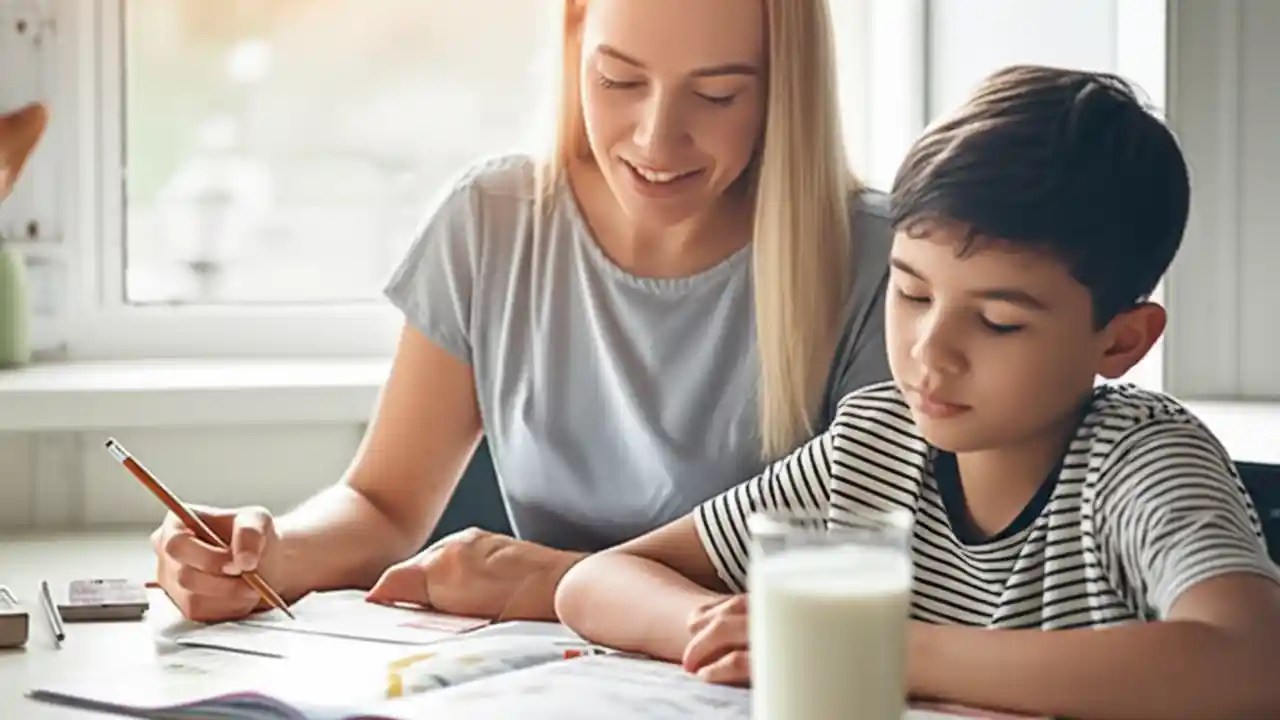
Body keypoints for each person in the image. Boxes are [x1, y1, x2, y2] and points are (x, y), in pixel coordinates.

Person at [555, 65, 1280, 719]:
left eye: (998, 323)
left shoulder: (1140, 463)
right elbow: (599, 581)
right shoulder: (876, 444)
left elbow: (1254, 662)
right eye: (910, 292)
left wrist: (881, 650)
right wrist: (754, 635)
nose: (932, 351)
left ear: (1121, 341)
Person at [151, 0, 894, 624]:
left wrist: (546, 584)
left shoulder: (885, 266)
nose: (655, 138)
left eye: (718, 94)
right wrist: (270, 551)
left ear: (784, 87)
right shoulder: (492, 221)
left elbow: (876, 578)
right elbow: (381, 505)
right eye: (619, 79)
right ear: (575, 41)